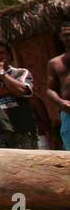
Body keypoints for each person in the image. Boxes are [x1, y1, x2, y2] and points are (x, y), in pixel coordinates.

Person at [45, 21, 70, 151]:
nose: (69, 37)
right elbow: (50, 90)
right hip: (68, 112)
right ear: (60, 37)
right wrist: (60, 103)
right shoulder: (55, 63)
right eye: (66, 35)